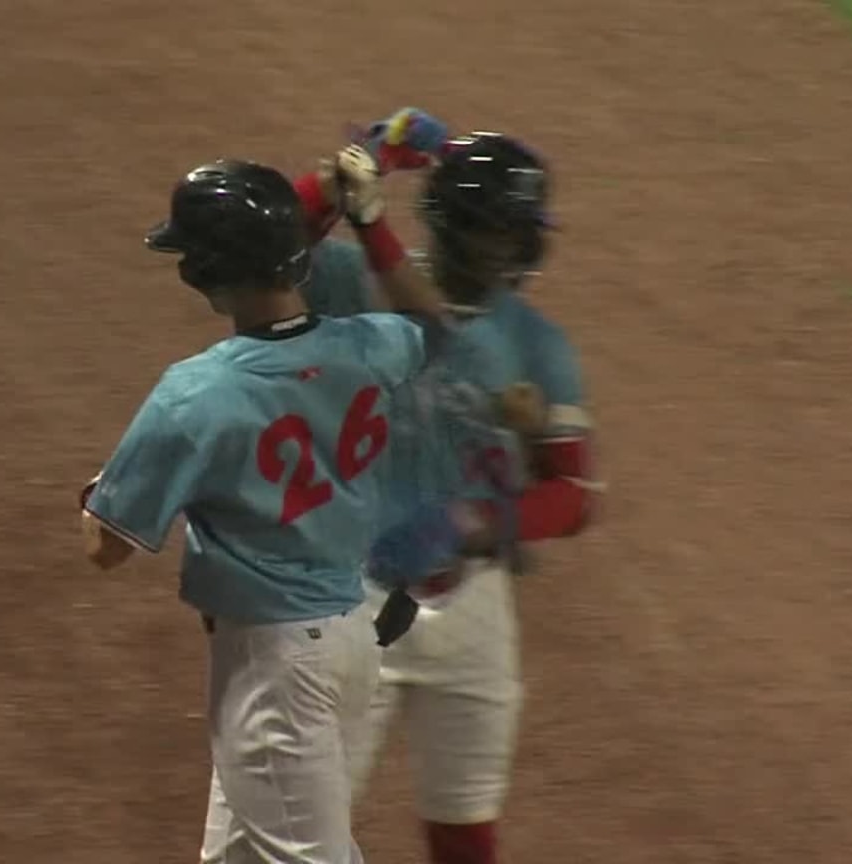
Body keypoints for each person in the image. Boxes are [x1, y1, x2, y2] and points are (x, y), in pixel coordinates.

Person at [78, 151, 465, 863]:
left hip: (277, 665)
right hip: (348, 639)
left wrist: (104, 489)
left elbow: (106, 545)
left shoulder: (195, 395)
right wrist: (373, 222)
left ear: (205, 273)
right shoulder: (366, 345)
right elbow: (432, 326)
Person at [291, 110, 601, 864]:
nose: (518, 251)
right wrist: (357, 166)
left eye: (523, 234)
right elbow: (268, 243)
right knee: (302, 824)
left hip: (473, 605)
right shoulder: (355, 283)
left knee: (465, 821)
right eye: (506, 231)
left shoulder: (534, 340)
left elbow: (574, 491)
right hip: (349, 597)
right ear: (462, 228)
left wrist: (476, 522)